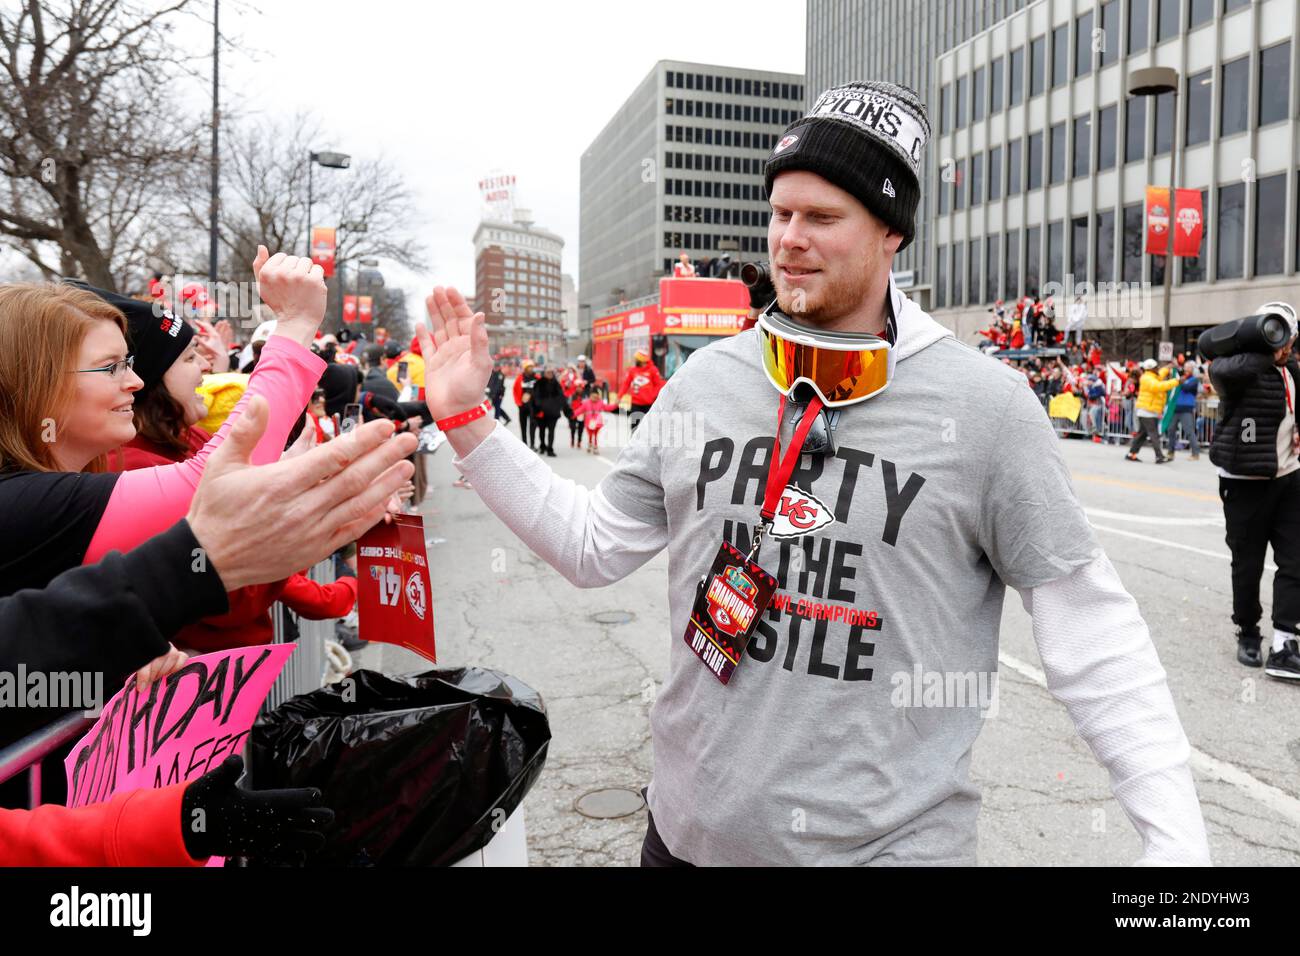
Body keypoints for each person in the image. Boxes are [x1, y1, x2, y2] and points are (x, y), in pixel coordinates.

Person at [416, 80, 1209, 866]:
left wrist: (1177, 841)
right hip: (682, 841)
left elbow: (1093, 632)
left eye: (823, 218)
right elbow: (593, 546)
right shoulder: (706, 381)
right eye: (781, 213)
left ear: (892, 235)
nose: (790, 238)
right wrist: (466, 419)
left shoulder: (988, 409)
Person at [0, 403, 418, 863]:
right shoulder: (45, 495)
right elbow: (197, 497)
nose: (133, 380)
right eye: (112, 364)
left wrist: (169, 826)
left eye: (132, 360)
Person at [1208, 302, 1300, 677]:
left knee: (1295, 561)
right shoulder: (1234, 369)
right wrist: (1265, 344)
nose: (1288, 346)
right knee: (1247, 565)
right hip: (1244, 482)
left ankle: (1284, 642)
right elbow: (1226, 369)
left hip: (1289, 478)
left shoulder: (1291, 371)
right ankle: (1248, 633)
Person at [1125, 359, 1180, 463]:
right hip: (1147, 411)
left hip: (1148, 411)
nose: (1158, 369)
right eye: (1156, 367)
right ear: (1152, 369)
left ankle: (1131, 454)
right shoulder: (1147, 379)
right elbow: (1158, 386)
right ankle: (1159, 456)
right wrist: (1176, 382)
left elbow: (1160, 374)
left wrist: (1168, 367)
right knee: (1154, 434)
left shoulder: (1152, 376)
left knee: (1142, 434)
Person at [617, 350, 665, 431]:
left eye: (637, 359)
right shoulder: (632, 370)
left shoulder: (653, 370)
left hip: (648, 404)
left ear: (642, 361)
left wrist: (652, 396)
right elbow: (626, 384)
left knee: (649, 426)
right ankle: (633, 441)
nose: (635, 360)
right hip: (636, 403)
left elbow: (659, 385)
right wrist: (619, 396)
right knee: (634, 425)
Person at [1167, 360, 1202, 461]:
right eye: (1185, 367)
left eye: (1189, 368)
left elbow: (1186, 387)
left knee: (1189, 431)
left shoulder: (1194, 380)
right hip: (1175, 408)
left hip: (1186, 409)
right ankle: (1170, 452)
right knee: (1171, 430)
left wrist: (1179, 380)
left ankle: (1195, 454)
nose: (1186, 369)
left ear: (1192, 370)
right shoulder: (1178, 379)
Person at [531, 367, 565, 457]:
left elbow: (561, 397)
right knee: (542, 430)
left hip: (553, 413)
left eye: (551, 372)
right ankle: (542, 445)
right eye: (548, 372)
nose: (550, 374)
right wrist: (538, 408)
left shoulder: (556, 384)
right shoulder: (539, 383)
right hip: (542, 412)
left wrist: (560, 408)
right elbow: (535, 398)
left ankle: (550, 448)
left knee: (551, 431)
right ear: (544, 373)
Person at [513, 359, 535, 448]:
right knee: (523, 425)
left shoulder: (536, 378)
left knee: (532, 425)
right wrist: (518, 403)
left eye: (532, 367)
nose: (531, 369)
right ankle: (524, 443)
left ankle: (532, 444)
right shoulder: (520, 378)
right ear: (525, 368)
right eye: (529, 367)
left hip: (533, 406)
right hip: (522, 406)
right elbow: (515, 390)